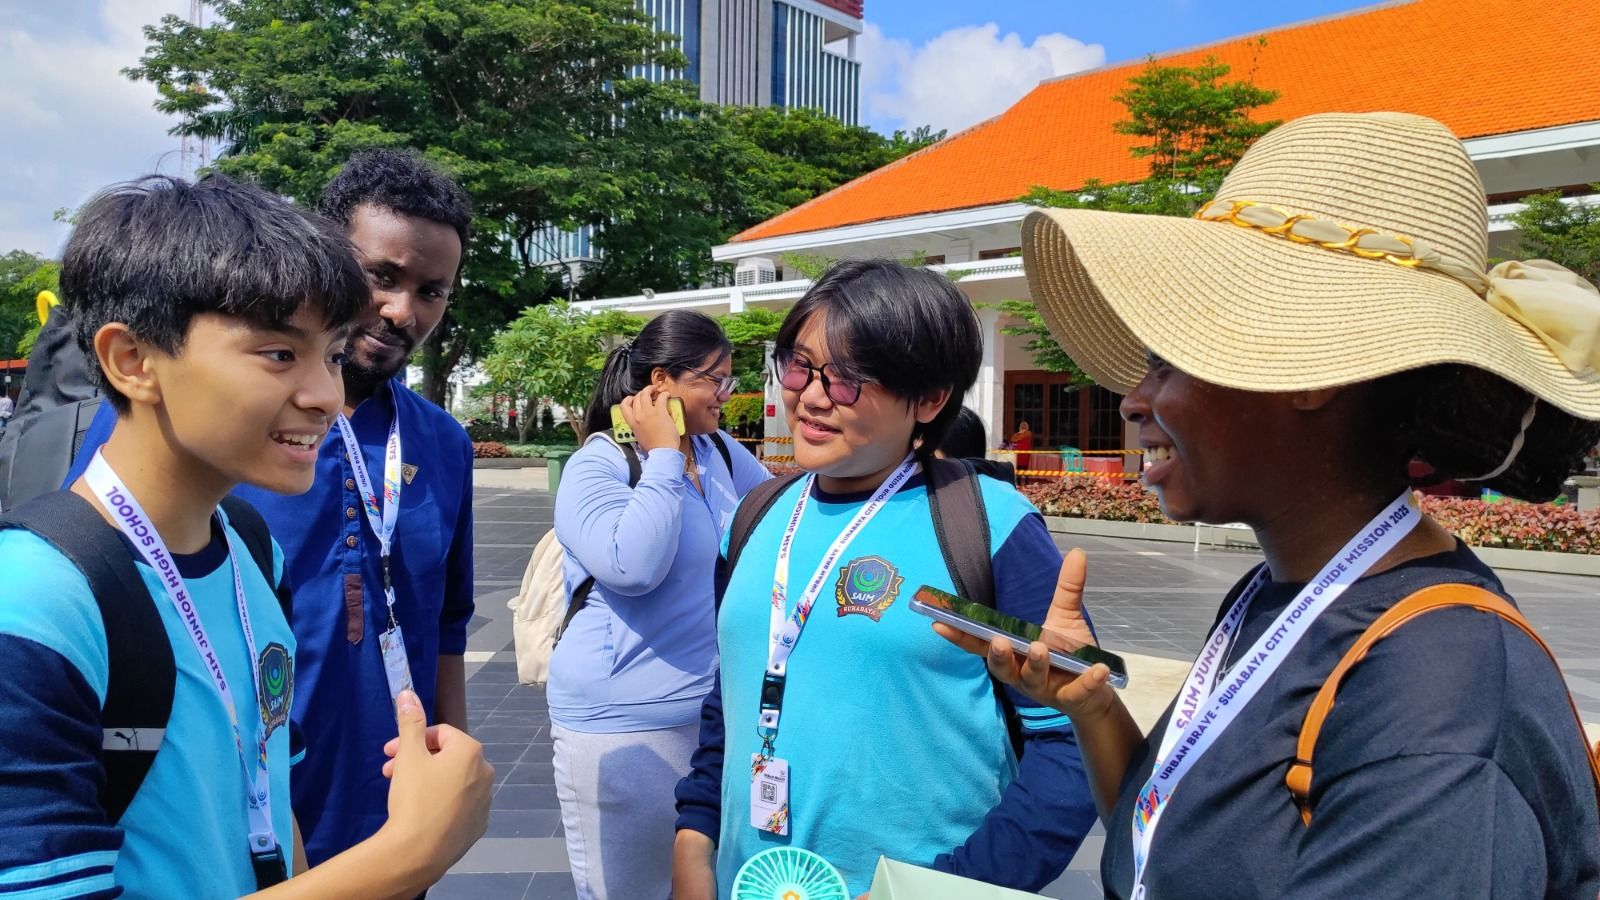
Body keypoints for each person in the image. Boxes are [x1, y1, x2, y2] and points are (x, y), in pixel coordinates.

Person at [940, 112, 1600, 898]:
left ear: (1308, 370)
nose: (1134, 401)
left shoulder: (1442, 697)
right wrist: (1090, 709)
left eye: (1169, 360)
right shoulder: (1279, 592)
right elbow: (1166, 852)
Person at [0, 174, 491, 897]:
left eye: (330, 355)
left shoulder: (250, 556)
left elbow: (271, 793)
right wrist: (408, 856)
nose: (325, 396)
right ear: (132, 362)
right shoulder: (36, 602)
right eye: (278, 354)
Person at [673, 260, 1097, 898]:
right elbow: (729, 694)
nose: (812, 397)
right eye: (799, 365)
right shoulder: (754, 517)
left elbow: (1069, 743)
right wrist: (694, 839)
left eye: (848, 378)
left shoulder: (989, 525)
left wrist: (940, 890)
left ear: (929, 398)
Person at [551, 310, 771, 900]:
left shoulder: (720, 452)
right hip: (624, 724)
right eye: (713, 379)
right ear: (660, 383)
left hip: (711, 714)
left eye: (729, 379)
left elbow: (776, 515)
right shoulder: (599, 463)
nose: (726, 393)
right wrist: (665, 457)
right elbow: (632, 567)